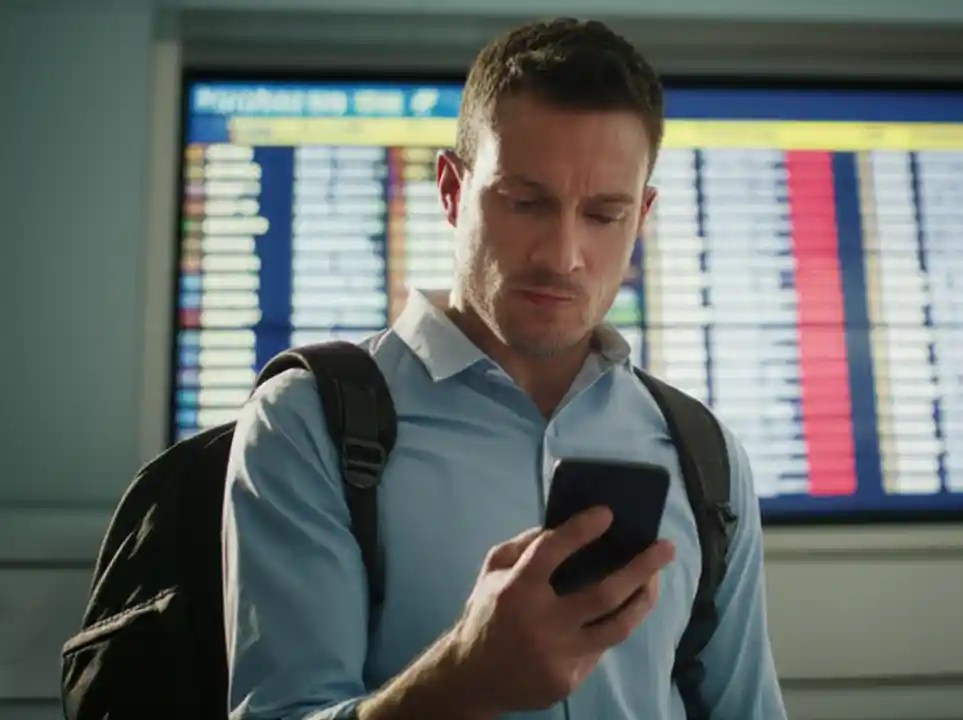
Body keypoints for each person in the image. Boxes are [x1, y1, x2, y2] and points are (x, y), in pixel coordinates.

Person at [221, 17, 788, 720]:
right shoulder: (306, 423)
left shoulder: (705, 454)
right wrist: (462, 680)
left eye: (604, 215)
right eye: (526, 203)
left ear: (641, 217)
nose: (563, 255)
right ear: (453, 193)